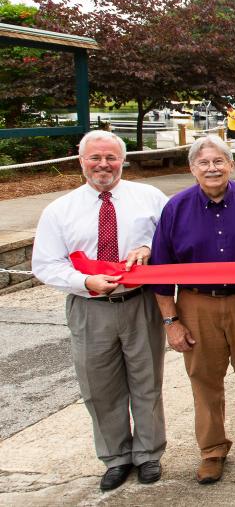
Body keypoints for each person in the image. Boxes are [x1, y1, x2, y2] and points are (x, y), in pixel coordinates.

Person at [31, 130, 168, 491]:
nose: (103, 165)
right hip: (89, 307)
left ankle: (148, 454)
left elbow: (170, 240)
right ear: (81, 161)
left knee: (147, 382)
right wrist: (85, 282)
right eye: (95, 158)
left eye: (110, 157)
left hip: (140, 303)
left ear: (123, 160)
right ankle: (116, 457)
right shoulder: (60, 210)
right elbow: (45, 264)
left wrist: (147, 246)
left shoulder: (151, 198)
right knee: (99, 387)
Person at [149, 136, 235, 485]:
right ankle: (212, 450)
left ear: (231, 165)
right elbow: (160, 269)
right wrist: (171, 321)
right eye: (204, 163)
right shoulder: (175, 207)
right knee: (205, 380)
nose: (212, 168)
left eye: (219, 161)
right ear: (192, 168)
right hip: (195, 303)